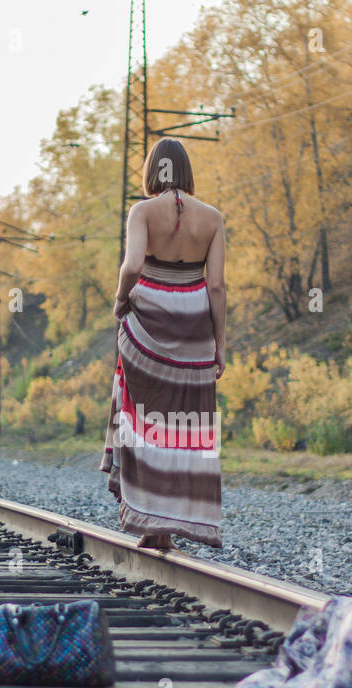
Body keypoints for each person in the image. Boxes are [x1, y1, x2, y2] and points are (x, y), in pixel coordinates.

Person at [100, 138, 225, 551]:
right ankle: (166, 528)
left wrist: (121, 300)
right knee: (183, 426)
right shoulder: (212, 218)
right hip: (193, 323)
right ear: (186, 170)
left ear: (153, 170)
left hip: (150, 319)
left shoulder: (142, 211)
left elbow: (133, 265)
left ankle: (150, 520)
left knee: (141, 417)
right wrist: (219, 343)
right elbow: (218, 286)